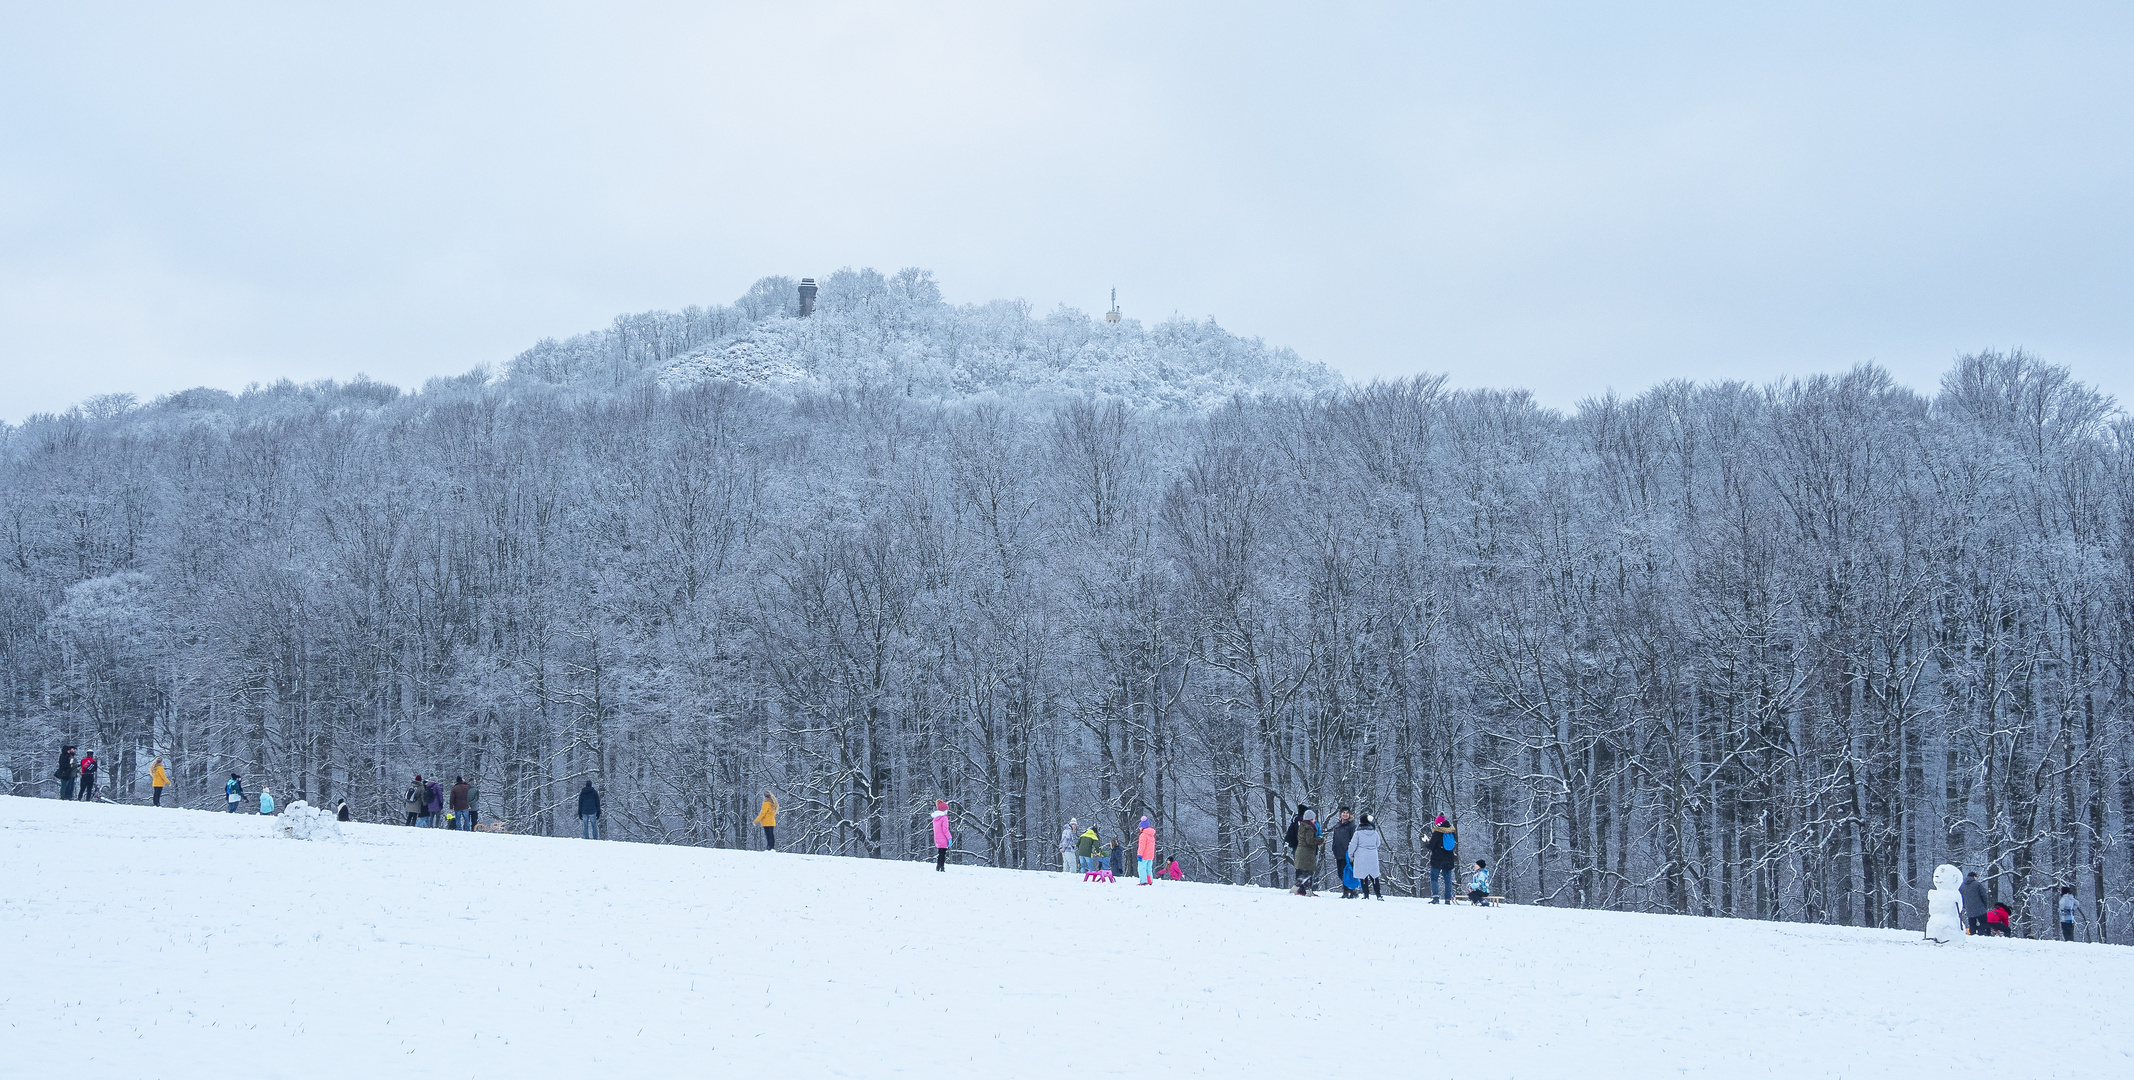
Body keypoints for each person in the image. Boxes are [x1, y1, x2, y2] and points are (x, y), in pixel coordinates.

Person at [1347, 812, 1383, 900]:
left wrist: (1350, 855)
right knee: (1374, 876)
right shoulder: (1374, 832)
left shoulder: (1358, 833)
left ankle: (1366, 895)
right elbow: (1378, 843)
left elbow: (1352, 845)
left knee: (1363, 876)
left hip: (1361, 857)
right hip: (1373, 856)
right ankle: (1378, 895)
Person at [1427, 815, 1459, 904]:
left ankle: (1435, 898)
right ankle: (1447, 899)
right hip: (1449, 859)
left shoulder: (1437, 832)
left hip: (1437, 859)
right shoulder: (1452, 832)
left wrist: (1427, 842)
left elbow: (1431, 846)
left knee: (1434, 878)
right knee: (1448, 881)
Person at [1293, 808, 1324, 896]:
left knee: (1305, 871)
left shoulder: (1302, 826)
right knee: (1308, 872)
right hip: (1306, 852)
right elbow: (1310, 840)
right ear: (1310, 819)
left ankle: (1307, 891)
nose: (1315, 820)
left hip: (1302, 851)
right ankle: (1296, 888)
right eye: (1314, 818)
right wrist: (1320, 840)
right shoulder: (1309, 828)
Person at [1329, 808, 1357, 898]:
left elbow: (1354, 840)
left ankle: (1348, 891)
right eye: (1343, 813)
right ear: (1340, 814)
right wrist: (1334, 848)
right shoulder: (1337, 826)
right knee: (1340, 873)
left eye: (1347, 813)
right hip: (1338, 852)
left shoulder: (1351, 826)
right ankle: (1351, 889)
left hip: (1347, 853)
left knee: (1346, 873)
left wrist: (1352, 852)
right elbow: (1335, 838)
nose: (1345, 814)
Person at [1136, 815, 1157, 885]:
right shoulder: (1151, 835)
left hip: (1144, 855)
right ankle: (1149, 881)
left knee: (1141, 868)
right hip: (1150, 856)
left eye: (1140, 827)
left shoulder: (1143, 835)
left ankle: (1143, 881)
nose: (1139, 828)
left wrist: (1139, 854)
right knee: (1148, 869)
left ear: (1143, 827)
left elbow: (1141, 846)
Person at [932, 800, 952, 871]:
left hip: (937, 838)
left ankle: (938, 866)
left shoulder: (935, 818)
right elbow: (945, 830)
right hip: (943, 838)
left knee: (940, 853)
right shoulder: (944, 818)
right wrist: (949, 838)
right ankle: (942, 867)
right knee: (943, 853)